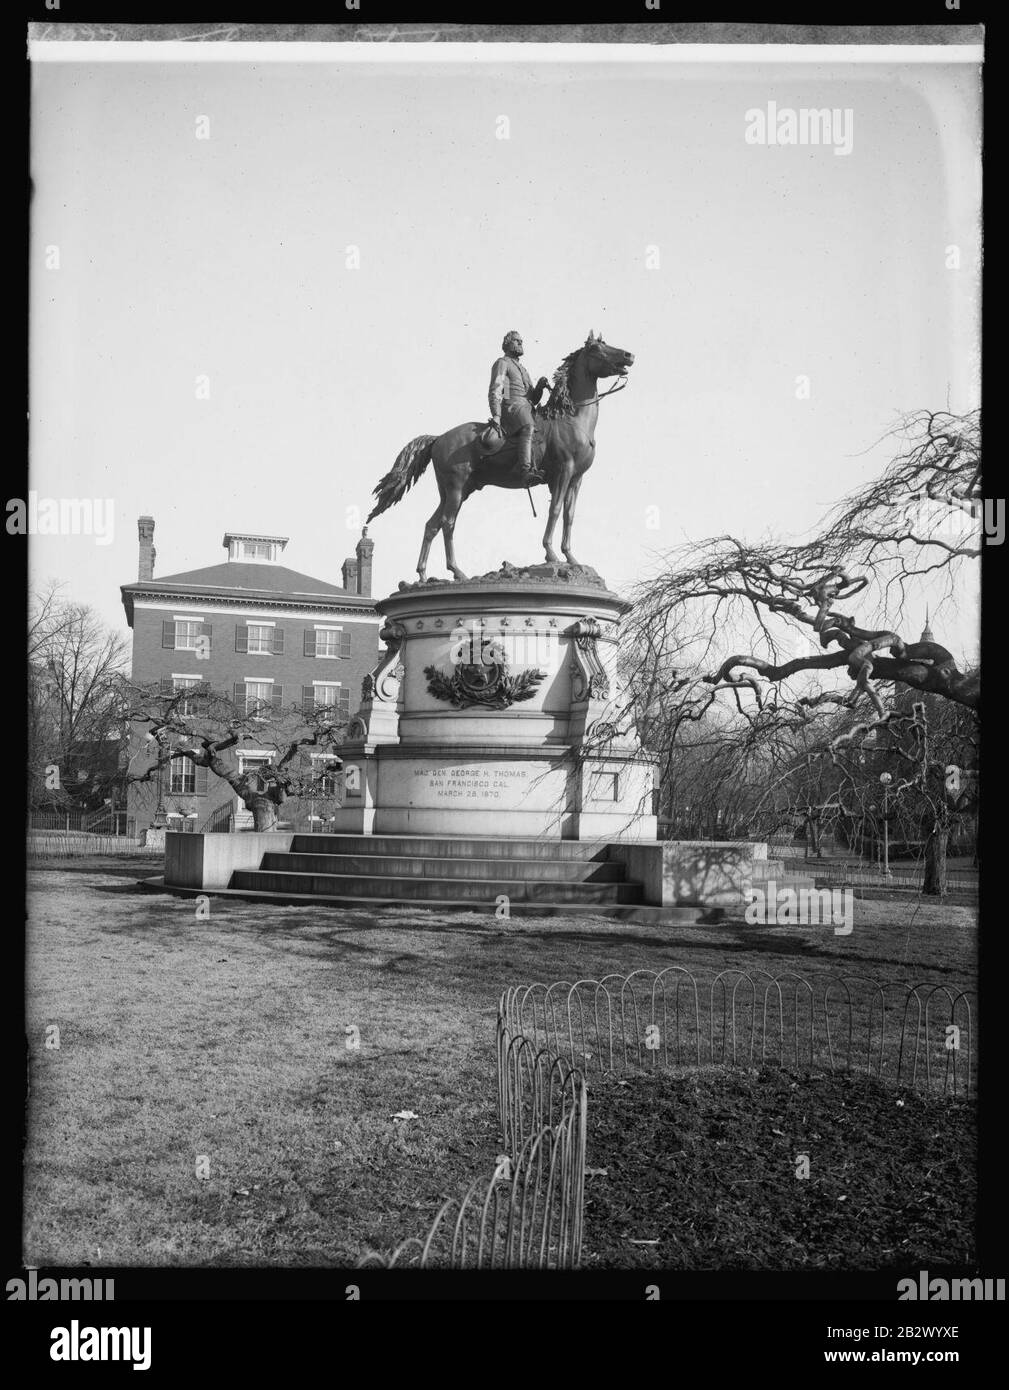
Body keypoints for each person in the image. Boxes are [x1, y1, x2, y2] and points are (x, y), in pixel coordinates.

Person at [487, 331, 551, 484]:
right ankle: (525, 470)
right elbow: (497, 388)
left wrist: (540, 388)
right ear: (508, 344)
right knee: (528, 427)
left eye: (521, 341)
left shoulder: (523, 369)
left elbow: (533, 399)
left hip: (526, 408)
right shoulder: (503, 363)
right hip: (512, 406)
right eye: (517, 341)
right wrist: (496, 414)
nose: (521, 343)